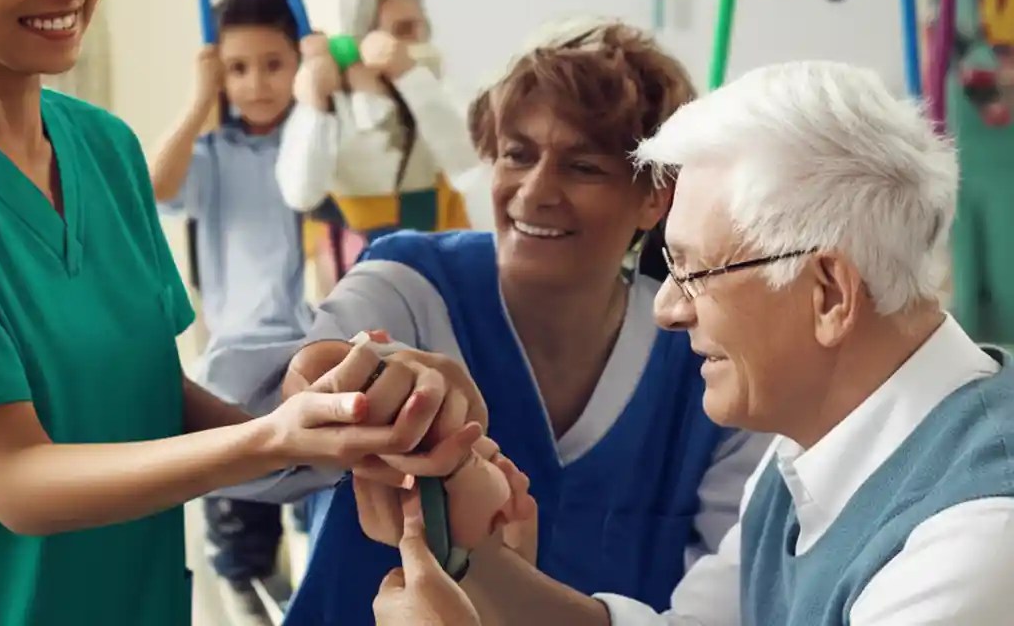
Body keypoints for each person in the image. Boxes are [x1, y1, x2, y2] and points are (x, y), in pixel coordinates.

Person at [0, 0, 481, 624]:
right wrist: (269, 439)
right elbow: (15, 479)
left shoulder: (105, 149)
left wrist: (338, 427)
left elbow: (153, 395)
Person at [370, 61, 1014, 625]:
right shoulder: (817, 429)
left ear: (829, 295)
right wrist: (467, 558)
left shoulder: (973, 544)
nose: (668, 307)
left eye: (695, 272)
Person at [217, 22, 769, 625]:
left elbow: (731, 599)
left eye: (583, 167)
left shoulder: (707, 361)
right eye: (518, 155)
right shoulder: (411, 284)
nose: (535, 193)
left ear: (654, 199)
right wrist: (327, 382)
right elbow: (265, 403)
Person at [150, 0, 313, 624]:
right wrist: (198, 102)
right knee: (240, 532)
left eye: (274, 65)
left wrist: (328, 81)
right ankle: (250, 599)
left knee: (322, 506)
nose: (257, 84)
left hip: (316, 353)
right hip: (238, 367)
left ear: (299, 62)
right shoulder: (213, 155)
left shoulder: (315, 143)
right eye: (238, 69)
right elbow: (152, 188)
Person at [281, 0, 493, 290]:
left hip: (437, 268)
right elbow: (301, 193)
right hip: (354, 275)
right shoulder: (330, 99)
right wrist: (316, 107)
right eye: (398, 32)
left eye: (416, 27)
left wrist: (411, 77)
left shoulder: (437, 90)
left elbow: (467, 165)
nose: (409, 42)